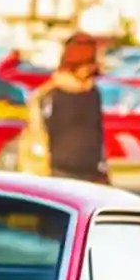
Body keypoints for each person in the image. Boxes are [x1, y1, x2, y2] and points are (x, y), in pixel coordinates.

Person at [24, 33, 107, 183]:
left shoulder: (93, 93)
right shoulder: (50, 94)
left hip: (91, 173)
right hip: (58, 173)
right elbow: (36, 135)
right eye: (88, 62)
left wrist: (103, 167)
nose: (90, 68)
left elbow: (97, 133)